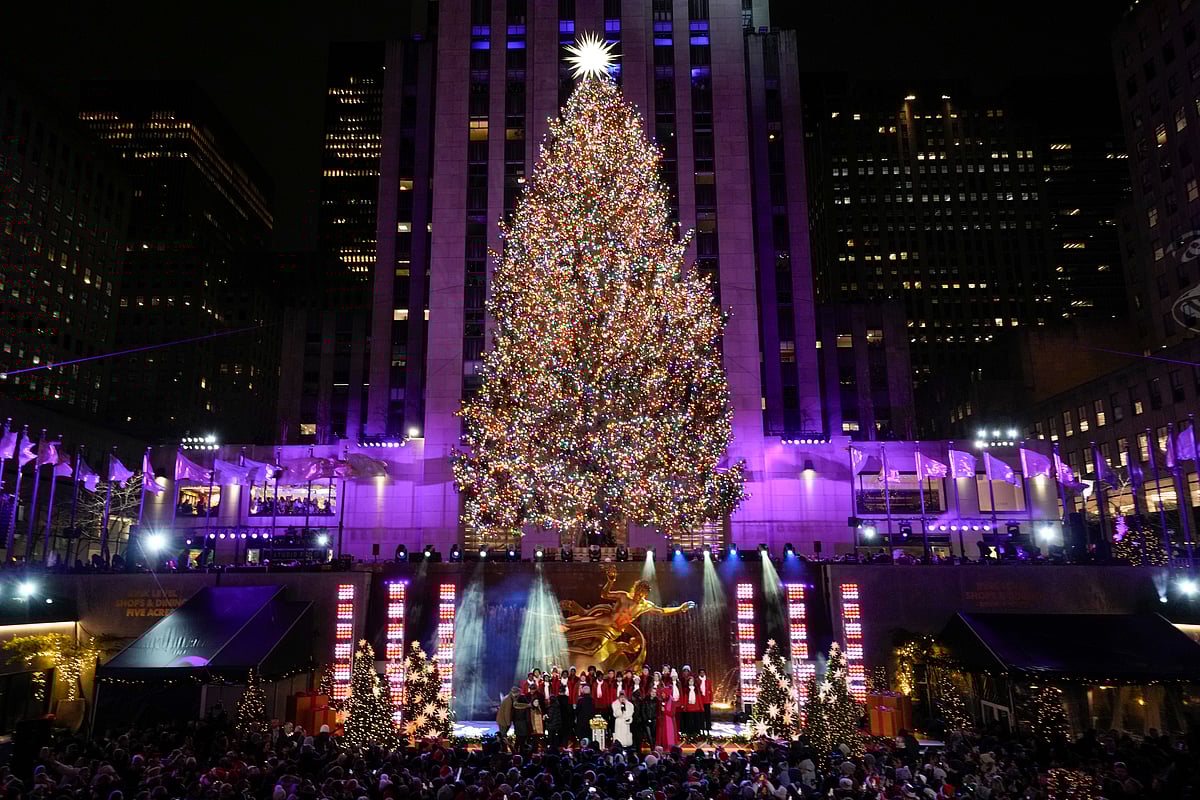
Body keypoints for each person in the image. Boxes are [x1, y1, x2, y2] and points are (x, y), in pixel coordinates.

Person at [496, 686, 519, 751]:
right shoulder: (508, 700)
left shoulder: (509, 698)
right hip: (503, 721)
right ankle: (504, 750)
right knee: (503, 736)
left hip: (502, 720)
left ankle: (504, 749)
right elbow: (507, 713)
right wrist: (508, 723)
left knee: (503, 735)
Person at [697, 667, 713, 737]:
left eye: (703, 672)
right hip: (700, 700)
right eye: (701, 672)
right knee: (701, 715)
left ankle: (708, 727)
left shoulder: (708, 680)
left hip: (707, 700)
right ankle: (701, 727)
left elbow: (710, 690)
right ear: (699, 673)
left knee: (707, 714)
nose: (702, 674)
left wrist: (711, 699)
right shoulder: (697, 680)